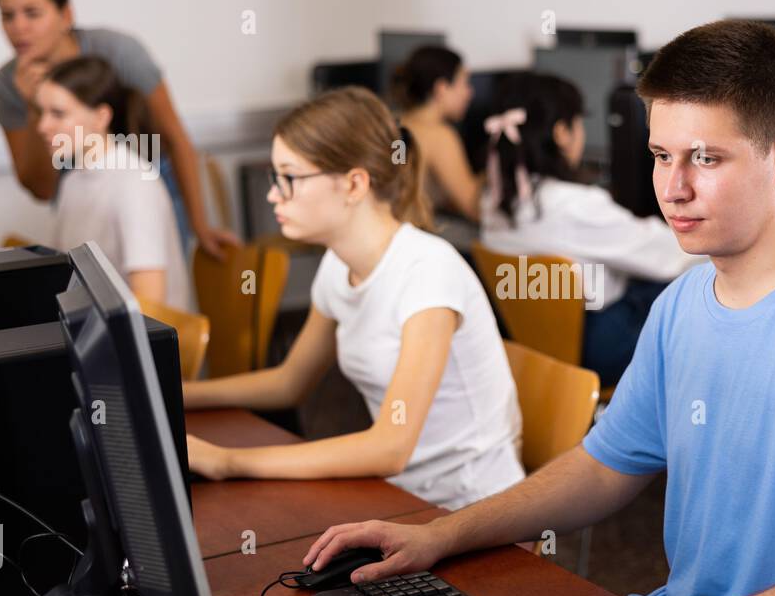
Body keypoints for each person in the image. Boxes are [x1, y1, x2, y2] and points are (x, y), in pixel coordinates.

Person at [302, 20, 775, 596]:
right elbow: (603, 467)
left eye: (707, 158)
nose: (674, 188)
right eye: (663, 156)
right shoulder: (683, 306)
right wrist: (440, 535)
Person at [182, 87, 524, 510]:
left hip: (472, 509)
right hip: (399, 494)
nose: (274, 194)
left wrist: (228, 461)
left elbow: (391, 447)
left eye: (288, 178)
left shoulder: (428, 271)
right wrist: (179, 395)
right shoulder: (337, 265)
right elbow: (289, 382)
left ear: (354, 184)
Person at [0, 0, 238, 258]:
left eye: (32, 13)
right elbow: (42, 188)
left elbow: (175, 138)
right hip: (82, 189)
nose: (19, 27)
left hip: (147, 176)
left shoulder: (119, 52)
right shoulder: (7, 86)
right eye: (7, 16)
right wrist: (33, 106)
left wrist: (201, 226)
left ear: (65, 15)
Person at [479, 72, 703, 386]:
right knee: (695, 288)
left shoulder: (494, 199)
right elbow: (670, 255)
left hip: (536, 345)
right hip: (596, 346)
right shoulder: (574, 205)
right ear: (561, 132)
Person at [38, 56, 189, 310]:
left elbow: (150, 306)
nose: (43, 126)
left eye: (58, 113)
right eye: (41, 112)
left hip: (145, 343)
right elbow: (61, 278)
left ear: (101, 117)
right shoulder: (72, 182)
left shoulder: (135, 186)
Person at [396, 45, 482, 251]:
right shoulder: (439, 135)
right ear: (442, 88)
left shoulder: (398, 121)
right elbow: (473, 208)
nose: (469, 93)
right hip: (419, 240)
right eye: (464, 83)